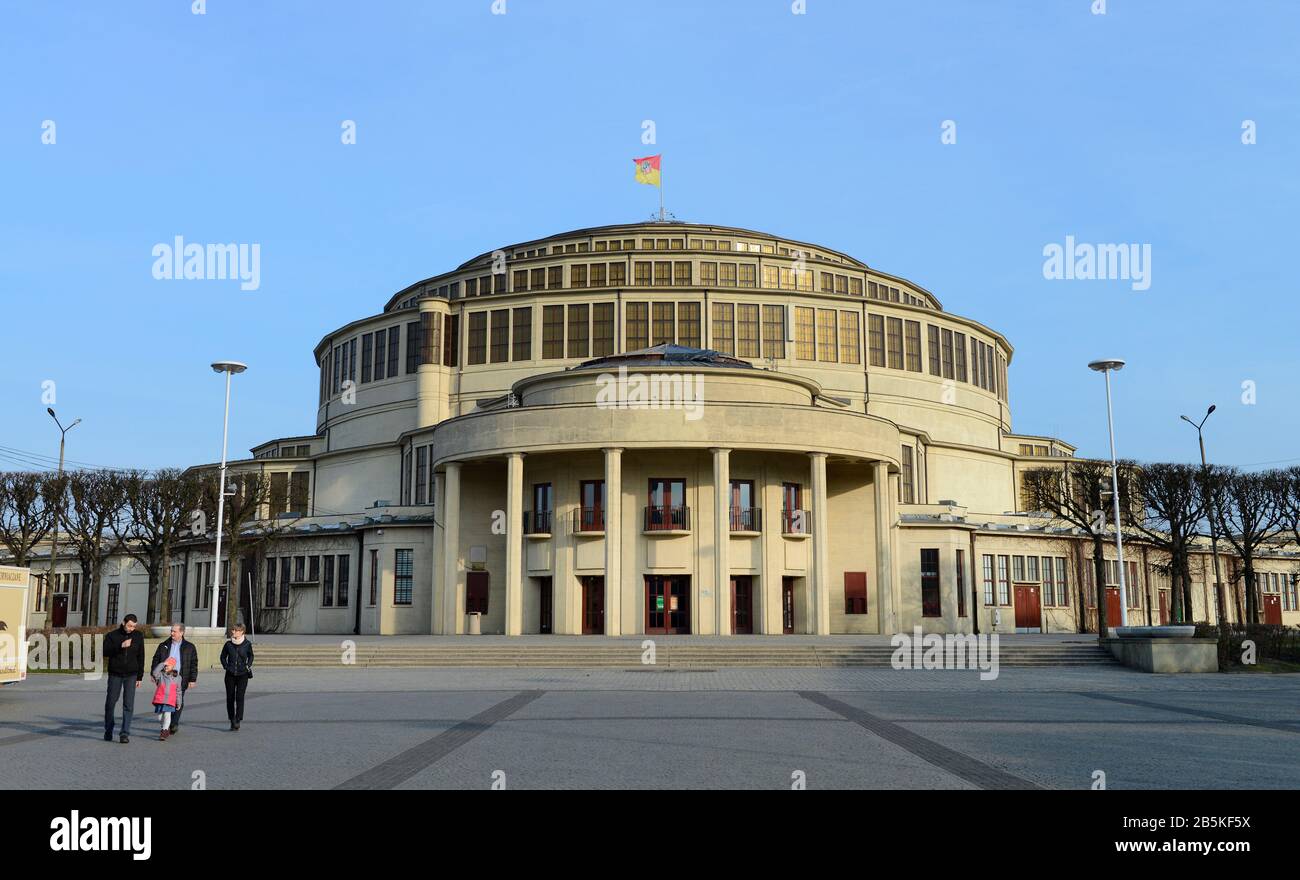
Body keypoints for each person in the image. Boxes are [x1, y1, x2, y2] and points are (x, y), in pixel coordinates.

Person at [102, 613, 145, 744]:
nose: (131, 629)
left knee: (128, 705)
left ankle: (124, 733)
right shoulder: (112, 636)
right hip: (115, 674)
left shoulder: (138, 636)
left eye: (134, 626)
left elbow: (141, 656)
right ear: (123, 623)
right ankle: (108, 729)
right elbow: (104, 652)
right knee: (110, 703)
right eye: (129, 626)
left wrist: (140, 676)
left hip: (131, 674)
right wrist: (120, 646)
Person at [149, 623, 197, 735]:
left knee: (178, 700)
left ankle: (173, 723)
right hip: (164, 679)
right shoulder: (163, 645)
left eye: (174, 631)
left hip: (180, 678)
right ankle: (166, 724)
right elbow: (155, 659)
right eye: (171, 631)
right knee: (165, 701)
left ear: (181, 632)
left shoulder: (189, 647)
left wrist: (192, 679)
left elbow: (194, 663)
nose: (172, 633)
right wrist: (153, 673)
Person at [219, 623, 254, 731]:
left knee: (240, 697)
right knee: (230, 698)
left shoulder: (247, 644)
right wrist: (226, 666)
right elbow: (222, 656)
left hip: (242, 674)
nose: (233, 632)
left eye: (235, 630)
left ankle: (238, 719)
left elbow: (251, 655)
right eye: (233, 630)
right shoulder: (228, 644)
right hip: (230, 675)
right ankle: (232, 719)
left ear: (241, 632)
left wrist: (248, 665)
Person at [151, 656, 182, 741]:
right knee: (160, 717)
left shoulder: (177, 678)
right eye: (165, 666)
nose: (166, 667)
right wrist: (163, 663)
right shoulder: (160, 675)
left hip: (170, 700)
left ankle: (164, 731)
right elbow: (154, 673)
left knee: (167, 715)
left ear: (173, 667)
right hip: (160, 699)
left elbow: (179, 691)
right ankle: (165, 728)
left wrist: (179, 702)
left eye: (168, 666)